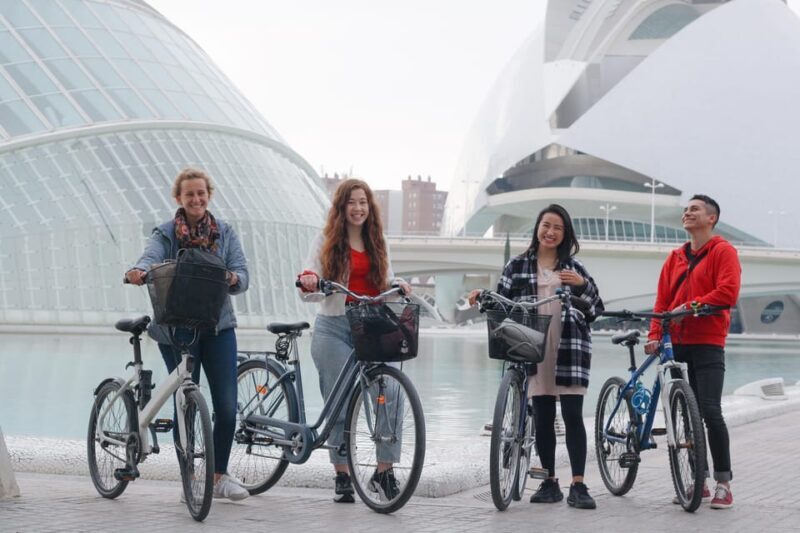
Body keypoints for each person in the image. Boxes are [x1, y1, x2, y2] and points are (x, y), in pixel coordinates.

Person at [126, 167, 250, 501]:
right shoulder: (166, 234)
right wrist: (140, 270)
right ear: (179, 198)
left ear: (208, 194)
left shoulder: (224, 233)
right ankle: (189, 479)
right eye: (189, 194)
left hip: (218, 327)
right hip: (176, 329)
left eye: (201, 193)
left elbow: (243, 273)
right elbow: (150, 257)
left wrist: (234, 279)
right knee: (185, 404)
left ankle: (219, 476)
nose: (196, 199)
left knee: (226, 407)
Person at [469, 204, 603, 510]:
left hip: (569, 347)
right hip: (531, 345)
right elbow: (501, 301)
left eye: (558, 228)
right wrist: (482, 295)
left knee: (572, 416)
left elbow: (595, 309)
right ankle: (549, 481)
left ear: (565, 234)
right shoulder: (517, 266)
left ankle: (579, 484)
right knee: (542, 416)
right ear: (537, 228)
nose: (551, 232)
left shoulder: (574, 269)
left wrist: (582, 286)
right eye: (546, 225)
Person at [297, 178, 411, 503]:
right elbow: (310, 280)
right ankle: (342, 474)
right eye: (351, 202)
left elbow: (386, 280)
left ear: (369, 206)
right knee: (340, 399)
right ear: (341, 207)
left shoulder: (378, 241)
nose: (358, 208)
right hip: (333, 326)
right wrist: (310, 282)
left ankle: (383, 471)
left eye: (363, 202)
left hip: (371, 327)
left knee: (389, 393)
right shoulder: (326, 240)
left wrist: (398, 284)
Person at [644, 194, 740, 509]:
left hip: (709, 342)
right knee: (686, 413)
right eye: (686, 209)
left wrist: (692, 307)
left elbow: (727, 292)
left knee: (710, 411)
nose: (687, 212)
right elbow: (661, 302)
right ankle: (697, 483)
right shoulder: (675, 257)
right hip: (677, 343)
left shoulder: (723, 251)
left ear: (711, 218)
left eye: (695, 209)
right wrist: (655, 333)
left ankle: (723, 483)